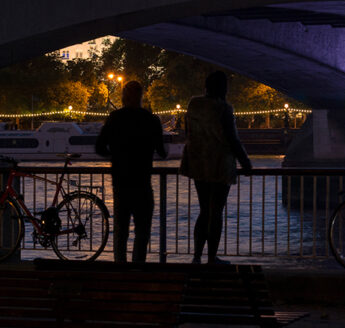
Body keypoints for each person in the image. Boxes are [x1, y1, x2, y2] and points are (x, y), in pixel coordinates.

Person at [180, 70, 251, 265]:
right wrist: (245, 162)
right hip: (219, 163)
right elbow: (232, 139)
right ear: (223, 88)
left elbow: (188, 131)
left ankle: (196, 256)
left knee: (203, 210)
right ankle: (212, 257)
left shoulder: (193, 104)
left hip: (198, 162)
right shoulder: (224, 108)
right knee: (216, 211)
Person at [95, 79, 166, 264]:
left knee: (121, 229)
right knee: (142, 230)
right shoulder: (150, 119)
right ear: (141, 96)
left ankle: (120, 266)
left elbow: (100, 147)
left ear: (123, 97)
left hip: (121, 180)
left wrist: (117, 155)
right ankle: (138, 265)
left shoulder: (115, 118)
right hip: (142, 180)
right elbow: (162, 152)